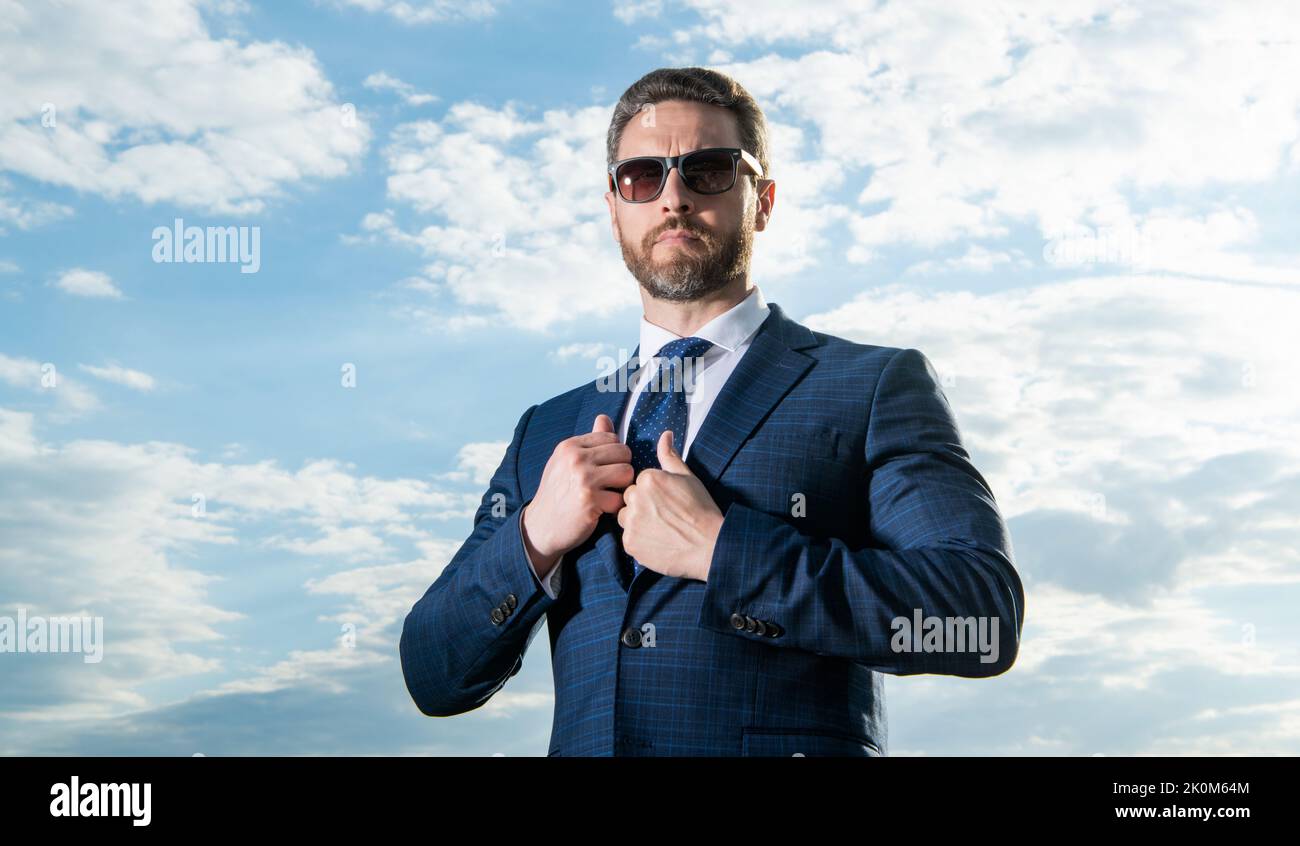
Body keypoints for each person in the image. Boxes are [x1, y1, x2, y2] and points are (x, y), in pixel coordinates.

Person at [399, 66, 1025, 756]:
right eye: (642, 176)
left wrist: (724, 552)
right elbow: (433, 674)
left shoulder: (872, 386)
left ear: (763, 200)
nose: (673, 198)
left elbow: (979, 614)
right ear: (614, 208)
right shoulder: (546, 430)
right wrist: (534, 538)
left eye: (708, 170)